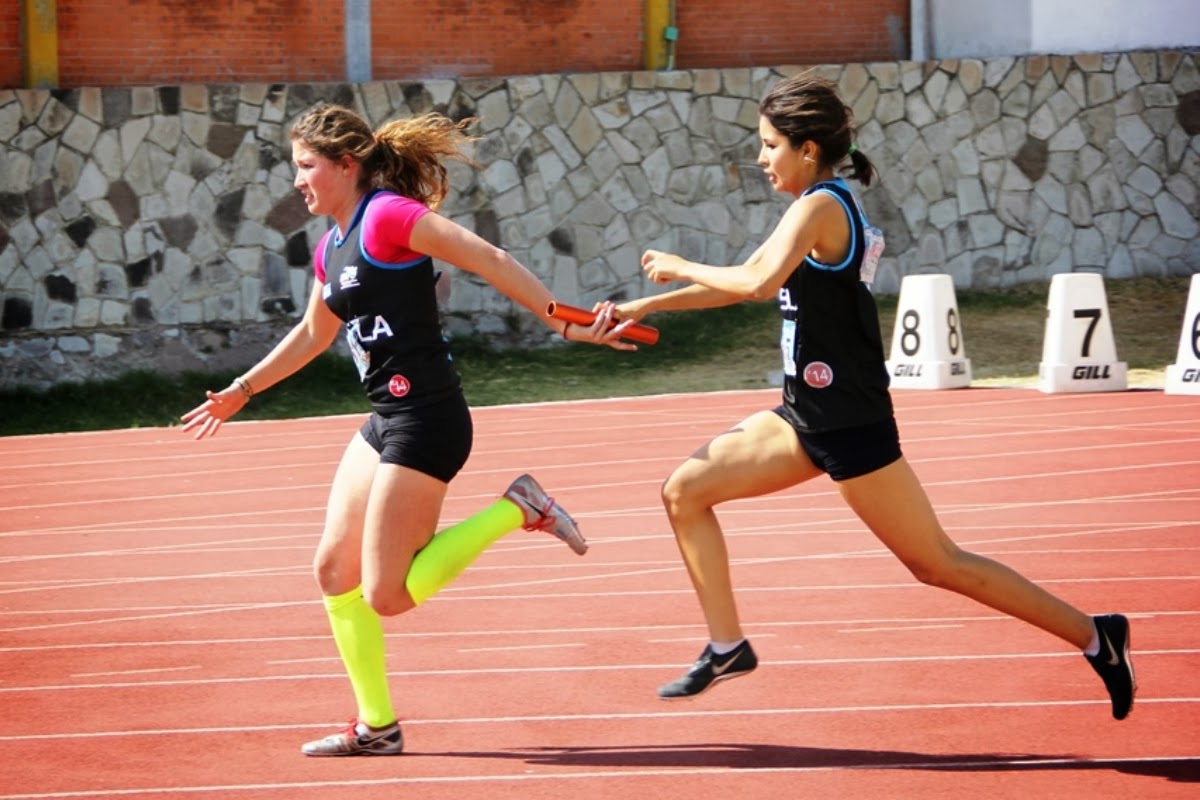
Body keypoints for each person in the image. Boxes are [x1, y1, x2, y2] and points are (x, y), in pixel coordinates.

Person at [614, 72, 1136, 720]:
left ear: (808, 149)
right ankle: (728, 646)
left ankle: (1095, 635)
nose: (760, 157)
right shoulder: (811, 207)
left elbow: (752, 281)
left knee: (938, 563)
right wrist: (647, 303)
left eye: (770, 144)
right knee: (684, 490)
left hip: (851, 421)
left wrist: (677, 262)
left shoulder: (822, 206)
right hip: (804, 414)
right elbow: (744, 281)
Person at [181, 103, 637, 756]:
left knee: (388, 594)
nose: (297, 181)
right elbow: (315, 333)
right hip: (384, 422)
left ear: (346, 166)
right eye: (294, 168)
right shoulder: (331, 246)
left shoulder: (388, 217)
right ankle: (378, 727)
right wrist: (242, 391)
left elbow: (488, 256)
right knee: (333, 571)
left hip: (428, 421)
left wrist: (562, 321)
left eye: (306, 167)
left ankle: (520, 507)